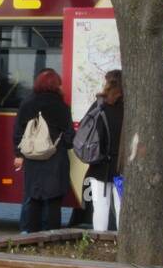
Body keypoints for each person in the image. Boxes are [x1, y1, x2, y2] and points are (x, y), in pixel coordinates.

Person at [13, 69, 74, 232]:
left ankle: (28, 234)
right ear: (56, 85)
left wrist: (19, 154)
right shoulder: (61, 107)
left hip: (33, 159)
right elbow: (69, 138)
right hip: (56, 160)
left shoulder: (27, 103)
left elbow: (18, 133)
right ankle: (50, 236)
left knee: (32, 197)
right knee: (53, 201)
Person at [85, 70, 124, 232]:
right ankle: (124, 242)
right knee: (122, 206)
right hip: (122, 166)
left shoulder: (99, 105)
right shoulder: (130, 107)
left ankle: (99, 240)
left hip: (99, 164)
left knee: (100, 207)